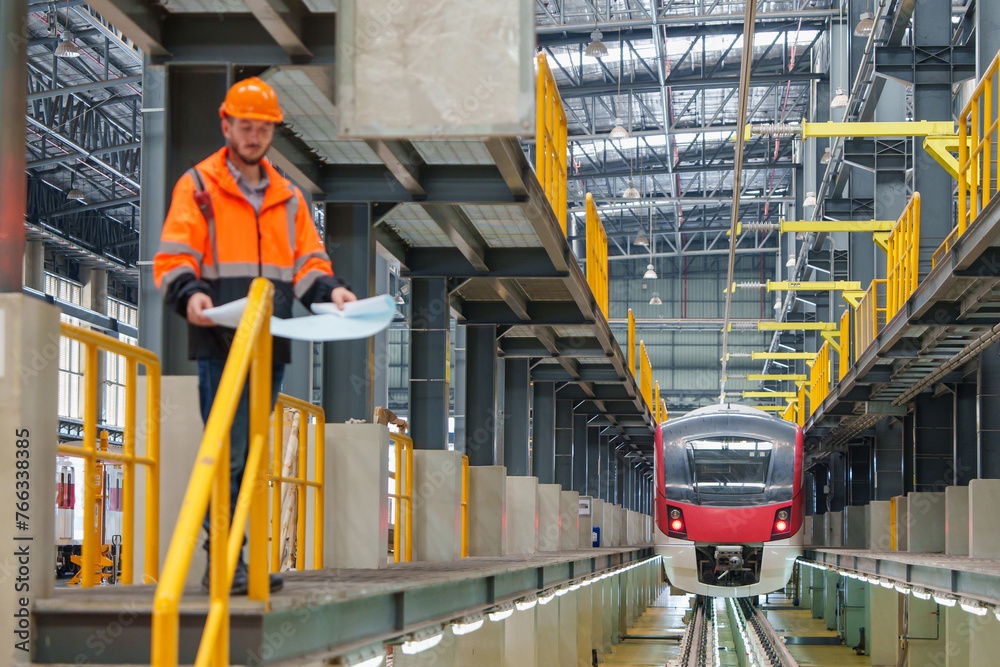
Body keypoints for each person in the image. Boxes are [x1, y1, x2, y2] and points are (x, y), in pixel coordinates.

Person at [153, 77, 356, 594]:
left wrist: (331, 292)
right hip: (220, 341)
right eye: (245, 127)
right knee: (230, 450)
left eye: (263, 128)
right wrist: (190, 296)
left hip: (270, 342)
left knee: (251, 452)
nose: (253, 137)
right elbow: (175, 256)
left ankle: (235, 558)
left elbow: (308, 264)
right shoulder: (197, 187)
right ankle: (222, 561)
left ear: (272, 132)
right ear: (226, 125)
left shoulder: (289, 198)